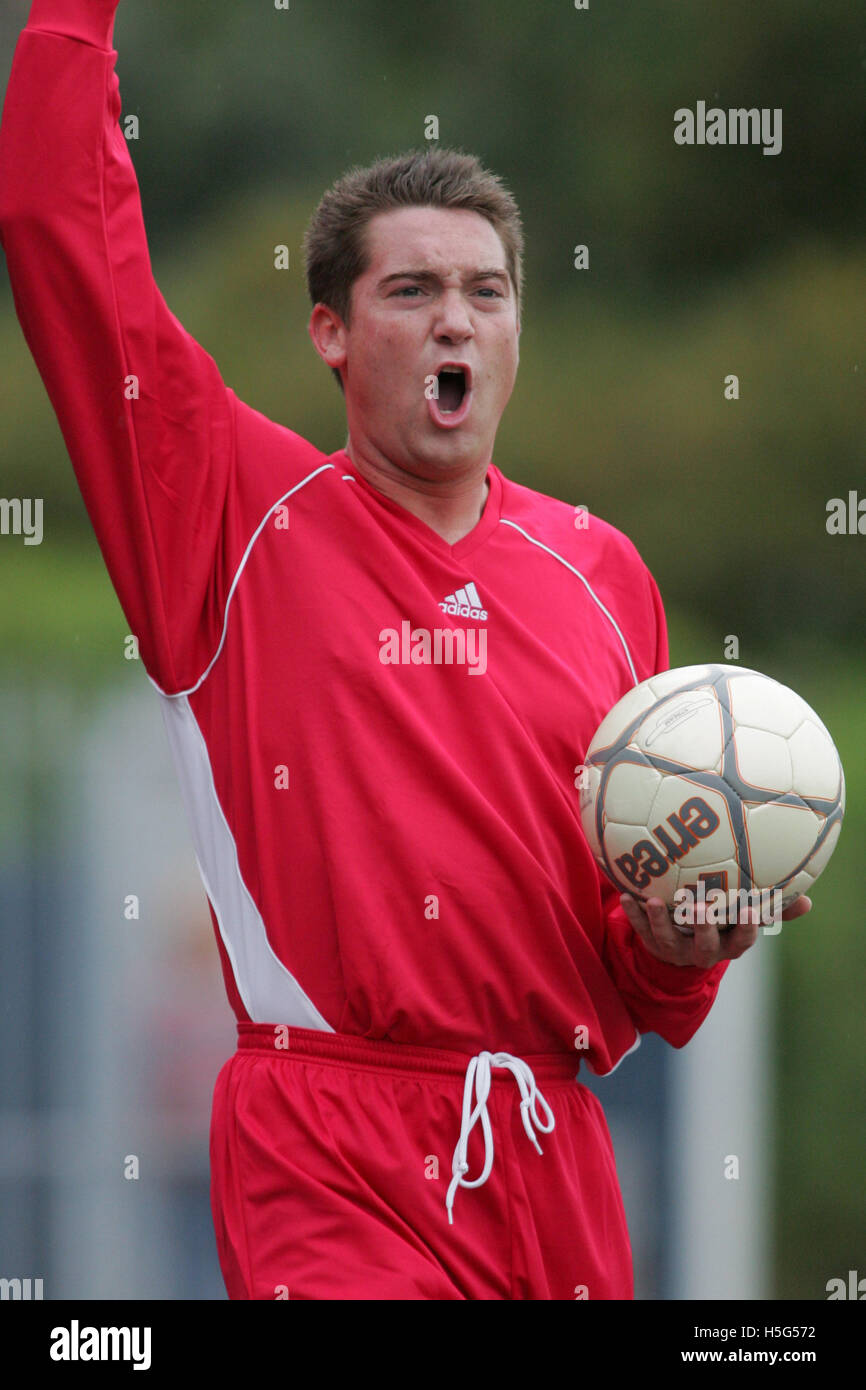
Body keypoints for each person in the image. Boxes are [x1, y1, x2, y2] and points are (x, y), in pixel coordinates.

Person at [0, 0, 809, 1301]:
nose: (455, 320)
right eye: (412, 290)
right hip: (325, 1153)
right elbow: (63, 236)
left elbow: (640, 986)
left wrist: (683, 938)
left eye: (485, 292)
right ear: (331, 332)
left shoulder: (604, 577)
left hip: (550, 1154)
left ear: (515, 330)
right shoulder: (224, 513)